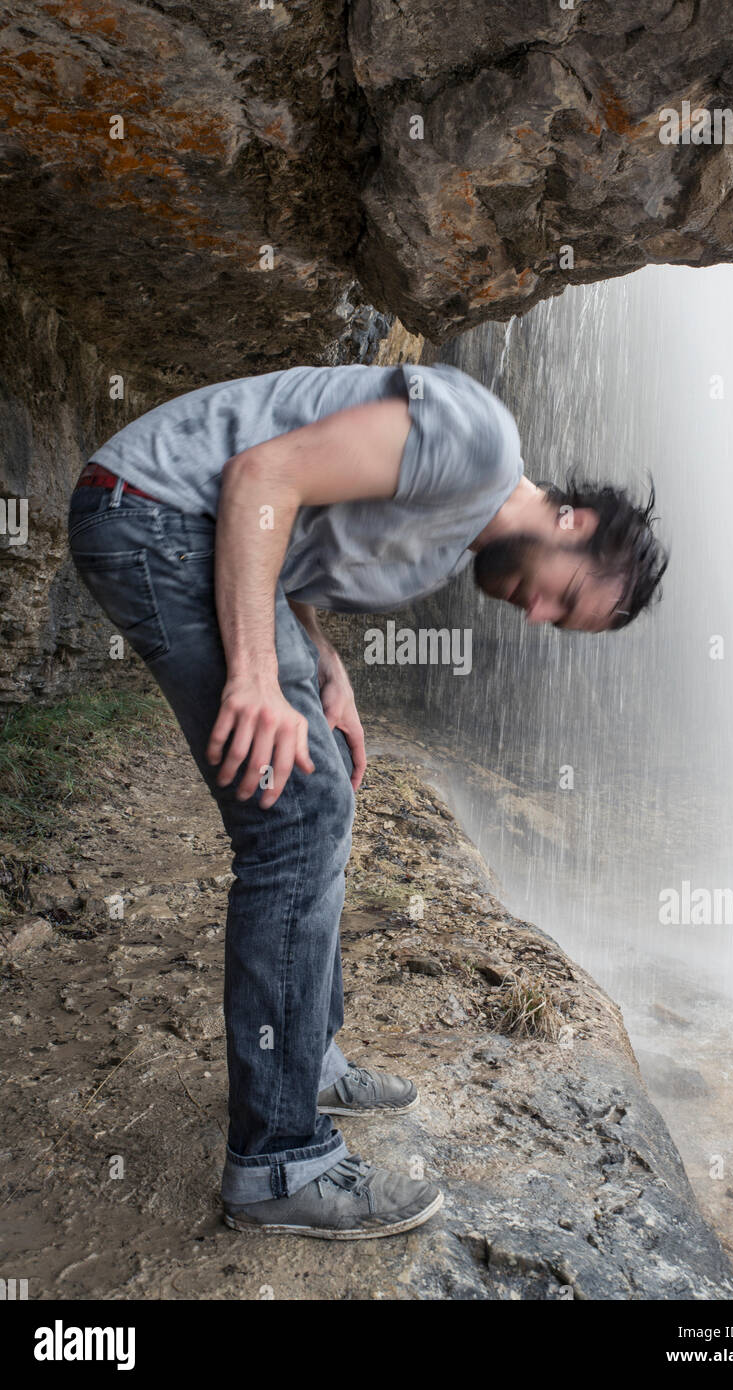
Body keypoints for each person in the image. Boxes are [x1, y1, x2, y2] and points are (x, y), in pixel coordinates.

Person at [66, 361, 668, 1239]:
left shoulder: (443, 535)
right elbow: (262, 477)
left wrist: (323, 667)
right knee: (297, 818)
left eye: (558, 620)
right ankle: (278, 1165)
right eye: (563, 595)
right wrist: (261, 676)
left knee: (325, 795)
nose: (536, 616)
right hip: (151, 511)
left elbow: (286, 540)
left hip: (180, 524)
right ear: (572, 522)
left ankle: (300, 1058)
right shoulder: (477, 443)